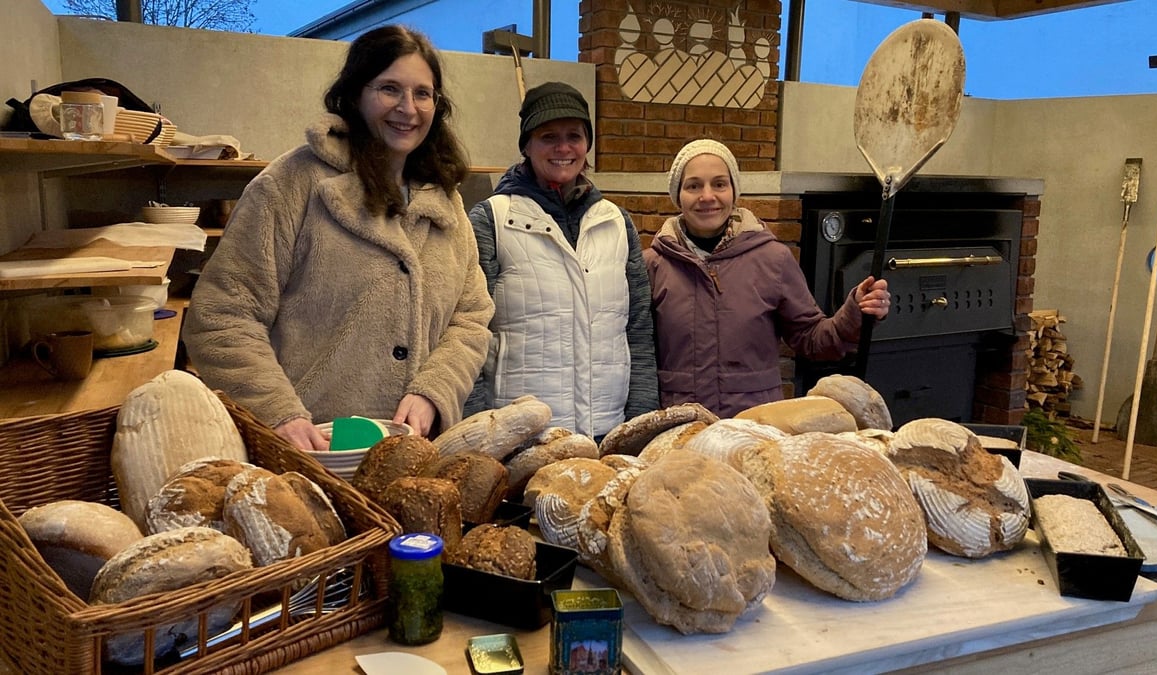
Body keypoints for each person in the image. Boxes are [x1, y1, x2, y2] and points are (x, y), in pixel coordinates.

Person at [182, 26, 494, 448]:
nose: (408, 108)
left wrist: (434, 390)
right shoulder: (290, 186)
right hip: (308, 453)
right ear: (355, 94)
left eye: (423, 94)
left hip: (410, 453)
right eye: (389, 89)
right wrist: (278, 414)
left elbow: (471, 317)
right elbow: (221, 316)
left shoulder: (446, 202)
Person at [463, 82, 657, 440]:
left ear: (588, 145)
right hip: (521, 435)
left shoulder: (616, 222)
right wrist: (478, 432)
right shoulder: (492, 220)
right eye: (548, 137)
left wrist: (638, 426)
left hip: (606, 432)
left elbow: (638, 330)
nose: (563, 148)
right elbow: (467, 330)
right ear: (527, 145)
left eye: (574, 136)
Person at [644, 139, 891, 418]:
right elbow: (636, 355)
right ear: (678, 196)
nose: (707, 196)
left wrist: (855, 313)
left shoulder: (773, 259)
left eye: (720, 184)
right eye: (693, 186)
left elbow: (811, 338)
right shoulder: (653, 266)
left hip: (756, 425)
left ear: (734, 191)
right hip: (682, 426)